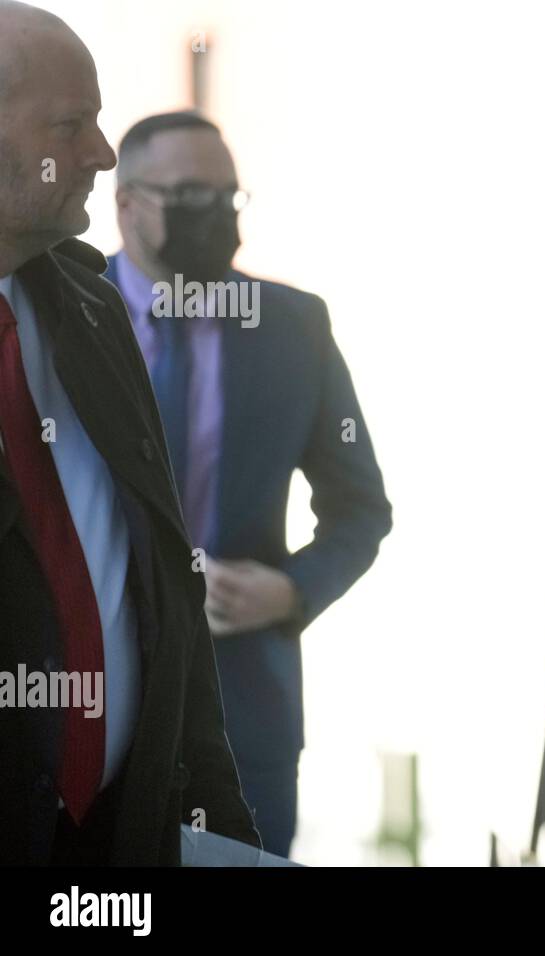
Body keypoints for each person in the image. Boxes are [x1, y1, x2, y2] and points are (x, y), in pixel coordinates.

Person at [0, 0, 258, 865]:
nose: (102, 154)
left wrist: (215, 822)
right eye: (70, 126)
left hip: (123, 848)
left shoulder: (91, 310)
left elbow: (157, 587)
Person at [105, 111, 393, 857]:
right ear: (126, 203)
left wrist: (291, 591)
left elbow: (361, 507)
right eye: (192, 196)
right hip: (87, 700)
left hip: (244, 713)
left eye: (228, 198)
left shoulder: (293, 326)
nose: (218, 216)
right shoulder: (62, 312)